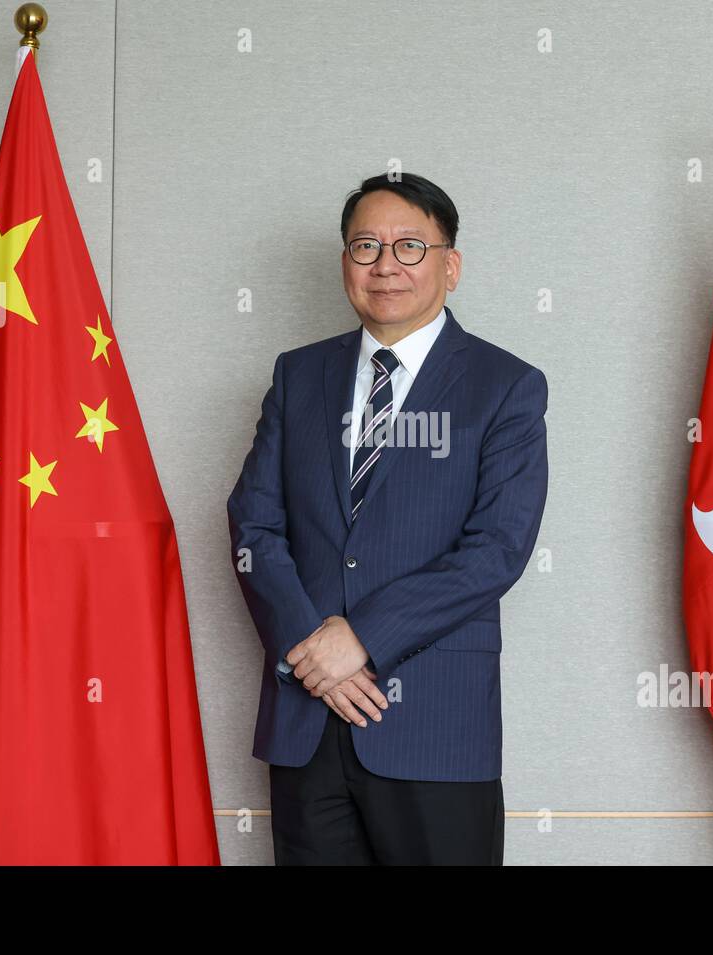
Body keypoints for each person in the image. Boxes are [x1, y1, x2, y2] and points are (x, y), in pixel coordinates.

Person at [227, 172, 548, 864]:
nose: (385, 265)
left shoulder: (506, 386)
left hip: (434, 729)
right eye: (365, 245)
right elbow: (254, 524)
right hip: (307, 720)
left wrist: (363, 638)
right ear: (345, 262)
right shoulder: (297, 375)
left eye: (409, 247)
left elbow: (496, 549)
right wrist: (314, 649)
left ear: (450, 266)